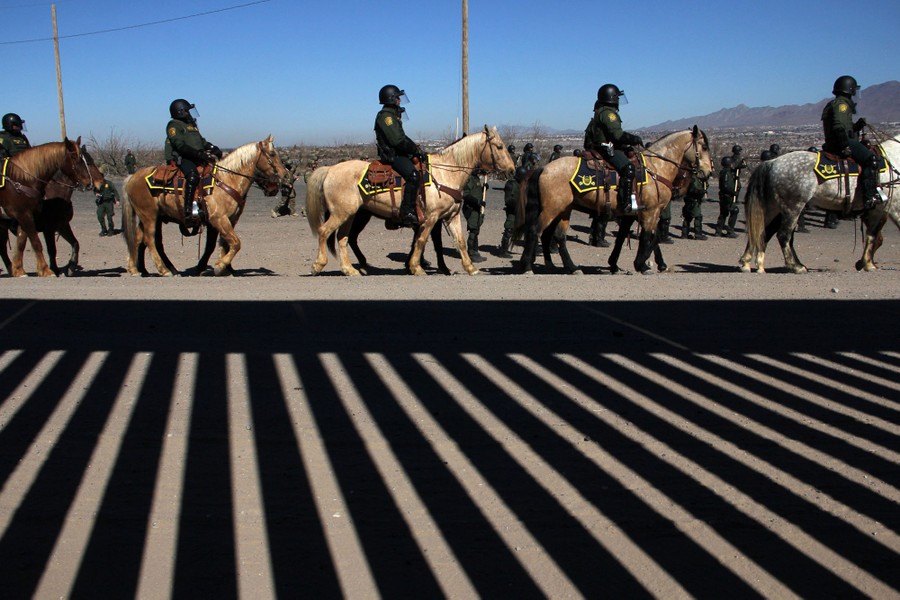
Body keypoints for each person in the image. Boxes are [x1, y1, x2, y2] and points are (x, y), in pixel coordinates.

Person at [822, 75, 884, 210]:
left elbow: (846, 128)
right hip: (841, 142)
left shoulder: (835, 103)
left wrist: (857, 126)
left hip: (836, 141)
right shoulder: (842, 104)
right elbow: (838, 127)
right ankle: (869, 196)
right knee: (871, 159)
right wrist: (845, 146)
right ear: (849, 89)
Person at [583, 83, 643, 213]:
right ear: (612, 97)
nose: (619, 101)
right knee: (628, 168)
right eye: (617, 97)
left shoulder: (601, 112)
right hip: (606, 149)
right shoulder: (608, 114)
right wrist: (634, 139)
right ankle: (625, 203)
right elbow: (617, 135)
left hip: (601, 147)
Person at [165, 98, 222, 220]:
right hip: (184, 158)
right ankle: (188, 209)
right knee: (192, 176)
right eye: (187, 111)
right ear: (180, 111)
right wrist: (198, 154)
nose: (189, 114)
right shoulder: (174, 125)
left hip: (197, 157)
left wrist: (213, 148)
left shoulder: (191, 125)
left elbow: (202, 141)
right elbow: (179, 145)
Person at [374, 84, 422, 227]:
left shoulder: (393, 114)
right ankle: (406, 212)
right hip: (393, 156)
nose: (400, 101)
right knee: (413, 175)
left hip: (399, 153)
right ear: (391, 99)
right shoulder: (386, 117)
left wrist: (415, 150)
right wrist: (414, 149)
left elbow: (402, 137)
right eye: (397, 98)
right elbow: (397, 140)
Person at [499, 166, 527, 258]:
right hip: (513, 211)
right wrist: (519, 205)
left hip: (522, 211)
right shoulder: (511, 184)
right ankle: (503, 250)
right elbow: (508, 200)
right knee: (509, 230)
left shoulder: (524, 185)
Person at [462, 169, 487, 262]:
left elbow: (476, 191)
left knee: (476, 230)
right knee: (473, 230)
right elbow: (466, 195)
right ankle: (471, 253)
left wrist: (484, 189)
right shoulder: (469, 179)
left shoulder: (476, 178)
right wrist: (477, 201)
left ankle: (475, 251)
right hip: (471, 209)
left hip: (477, 209)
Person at [716, 156, 739, 238]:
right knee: (734, 211)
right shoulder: (726, 173)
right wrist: (732, 192)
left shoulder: (727, 172)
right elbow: (725, 186)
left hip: (725, 195)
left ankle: (718, 231)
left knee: (724, 213)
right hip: (727, 196)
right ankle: (730, 231)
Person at [681, 173, 708, 240]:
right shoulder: (693, 179)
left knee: (688, 217)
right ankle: (698, 234)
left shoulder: (691, 178)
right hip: (693, 201)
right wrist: (700, 192)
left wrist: (704, 183)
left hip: (689, 200)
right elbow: (693, 190)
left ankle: (684, 234)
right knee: (697, 217)